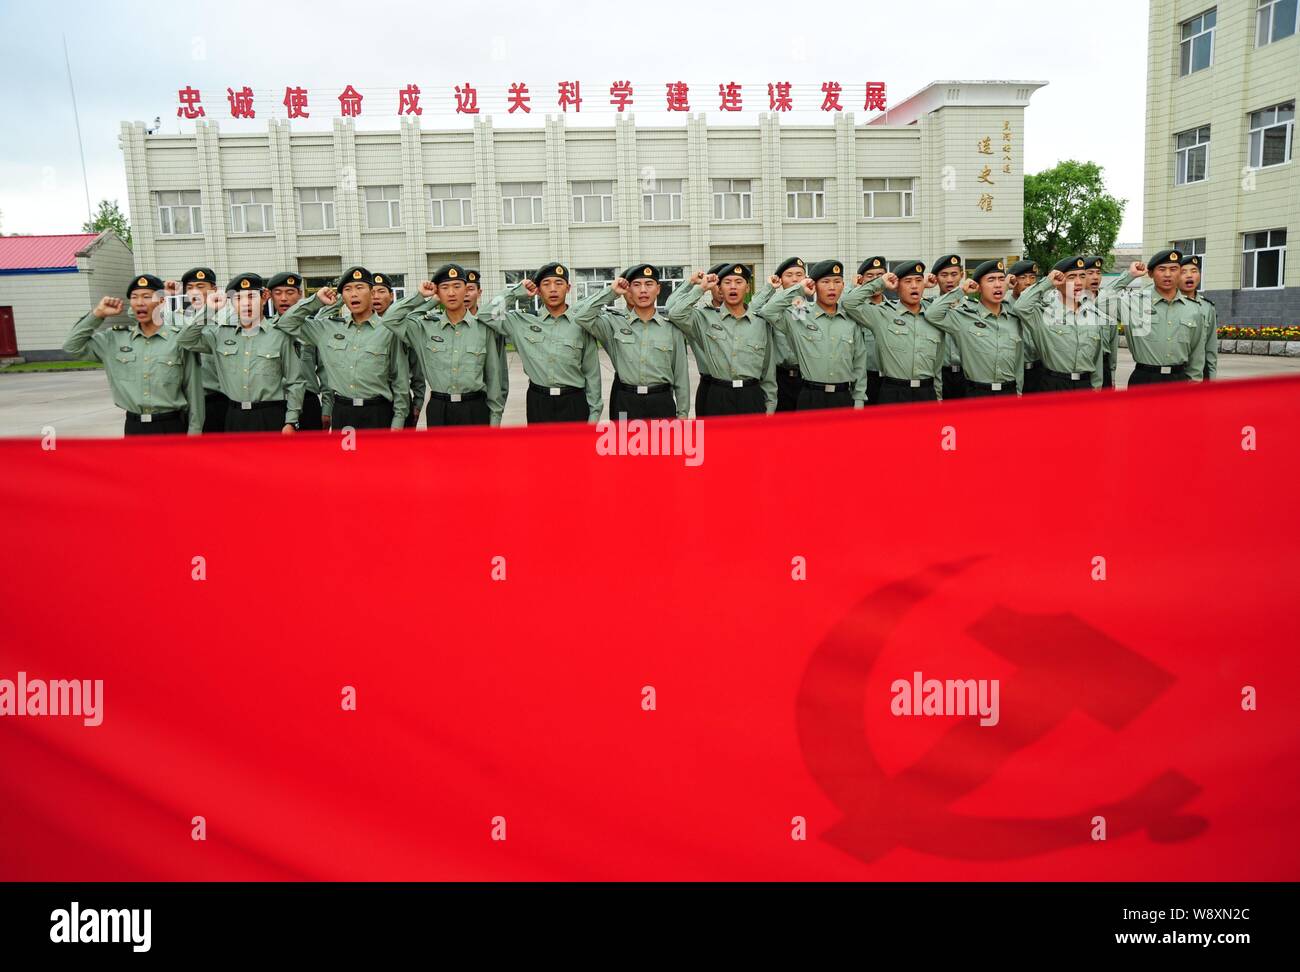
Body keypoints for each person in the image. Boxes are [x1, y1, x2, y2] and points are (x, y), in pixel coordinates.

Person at [274, 266, 415, 429]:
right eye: (347, 290)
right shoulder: (327, 329)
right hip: (342, 412)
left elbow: (400, 380)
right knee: (344, 455)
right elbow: (286, 323)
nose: (353, 294)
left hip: (378, 412)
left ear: (372, 292)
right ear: (343, 297)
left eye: (359, 288)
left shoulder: (388, 330)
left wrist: (398, 421)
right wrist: (316, 300)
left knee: (378, 455)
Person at [62, 274, 204, 435]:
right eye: (134, 297)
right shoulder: (114, 339)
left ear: (162, 301)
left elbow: (194, 393)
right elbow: (71, 347)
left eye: (147, 296)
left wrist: (194, 435)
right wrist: (97, 314)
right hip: (134, 427)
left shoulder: (179, 340)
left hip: (171, 427)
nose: (140, 302)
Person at [377, 263, 505, 427]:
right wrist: (421, 296)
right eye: (444, 287)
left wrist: (495, 422)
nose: (451, 293)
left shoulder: (482, 328)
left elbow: (494, 378)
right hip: (439, 409)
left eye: (457, 286)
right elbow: (390, 318)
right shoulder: (424, 328)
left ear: (466, 290)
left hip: (475, 408)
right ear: (437, 292)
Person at [476, 261, 602, 424]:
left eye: (559, 283)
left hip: (574, 402)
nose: (553, 289)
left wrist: (594, 416)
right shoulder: (522, 322)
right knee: (539, 450)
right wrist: (516, 292)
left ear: (568, 288)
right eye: (546, 284)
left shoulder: (580, 323)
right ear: (538, 291)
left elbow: (592, 374)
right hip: (539, 402)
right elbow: (486, 314)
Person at [174, 273, 304, 431]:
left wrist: (291, 421)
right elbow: (185, 340)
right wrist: (209, 310)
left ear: (264, 298)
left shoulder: (280, 335)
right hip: (234, 415)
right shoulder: (220, 335)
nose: (245, 304)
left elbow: (295, 381)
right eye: (238, 299)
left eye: (251, 297)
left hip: (271, 415)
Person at [571, 263, 690, 420]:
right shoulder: (613, 324)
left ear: (658, 289)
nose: (643, 290)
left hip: (661, 402)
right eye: (636, 285)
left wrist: (682, 416)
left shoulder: (672, 329)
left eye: (649, 284)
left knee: (662, 445)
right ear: (628, 290)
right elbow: (581, 316)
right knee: (623, 445)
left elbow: (681, 377)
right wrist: (611, 292)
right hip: (625, 401)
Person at [665, 263, 776, 415]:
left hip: (751, 396)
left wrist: (770, 407)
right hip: (717, 394)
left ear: (748, 288)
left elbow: (768, 370)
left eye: (738, 282)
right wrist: (700, 288)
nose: (733, 287)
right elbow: (674, 313)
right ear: (720, 289)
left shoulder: (760, 322)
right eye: (727, 282)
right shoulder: (705, 318)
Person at [756, 259, 867, 410]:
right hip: (804, 390)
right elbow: (767, 311)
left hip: (842, 396)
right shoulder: (801, 313)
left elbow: (859, 364)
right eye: (826, 282)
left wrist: (859, 401)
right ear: (814, 285)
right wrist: (798, 289)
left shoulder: (850, 320)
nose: (832, 287)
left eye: (837, 282)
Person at [842, 260, 945, 403]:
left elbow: (937, 366)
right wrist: (880, 283)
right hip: (893, 392)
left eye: (919, 281)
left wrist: (938, 398)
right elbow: (849, 303)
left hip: (926, 393)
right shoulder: (883, 314)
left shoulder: (933, 316)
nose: (914, 286)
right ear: (896, 287)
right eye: (908, 281)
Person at [923, 259, 1026, 398]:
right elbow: (932, 314)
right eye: (990, 280)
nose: (997, 284)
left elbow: (1019, 362)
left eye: (1001, 279)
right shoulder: (965, 318)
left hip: (1009, 393)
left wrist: (1018, 393)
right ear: (978, 286)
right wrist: (961, 291)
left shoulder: (1013, 318)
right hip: (977, 392)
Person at [1100, 251, 1206, 385]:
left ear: (1180, 272)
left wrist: (1195, 384)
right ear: (1150, 274)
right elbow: (1101, 302)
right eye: (1162, 269)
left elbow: (1197, 354)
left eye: (1173, 269)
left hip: (1179, 380)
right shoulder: (1134, 303)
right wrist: (1130, 275)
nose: (1168, 274)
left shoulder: (1193, 309)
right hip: (1144, 379)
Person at [1011, 260, 1104, 391]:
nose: (1078, 282)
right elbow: (1020, 307)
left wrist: (1097, 388)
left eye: (1082, 276)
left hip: (1085, 386)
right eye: (1071, 277)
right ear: (1058, 282)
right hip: (1054, 385)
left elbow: (1097, 360)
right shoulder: (1044, 313)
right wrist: (1047, 282)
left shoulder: (1093, 315)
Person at [267, 272, 328, 430]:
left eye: (290, 292)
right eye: (278, 293)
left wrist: (327, 407)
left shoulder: (313, 328)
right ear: (270, 296)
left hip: (307, 401)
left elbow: (324, 369)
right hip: (274, 403)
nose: (284, 298)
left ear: (300, 295)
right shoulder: (263, 330)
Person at [749, 256, 807, 412]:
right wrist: (770, 288)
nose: (795, 279)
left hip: (808, 378)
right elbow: (753, 309)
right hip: (780, 377)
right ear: (781, 280)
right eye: (789, 275)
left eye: (799, 274)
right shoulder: (772, 308)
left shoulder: (811, 308)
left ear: (806, 278)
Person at [175, 266, 228, 431]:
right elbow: (138, 316)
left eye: (200, 286)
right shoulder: (178, 318)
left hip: (217, 401)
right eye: (189, 288)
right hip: (184, 402)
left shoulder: (229, 319)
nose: (194, 292)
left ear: (214, 290)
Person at [370, 273, 426, 429]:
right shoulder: (362, 328)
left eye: (381, 291)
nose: (376, 297)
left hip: (400, 399)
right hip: (373, 400)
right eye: (372, 292)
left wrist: (418, 400)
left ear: (391, 295)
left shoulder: (404, 325)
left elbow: (417, 366)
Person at [927, 254, 968, 400]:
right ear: (935, 278)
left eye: (954, 274)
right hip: (938, 374)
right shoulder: (927, 306)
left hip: (967, 375)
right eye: (944, 275)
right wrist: (924, 284)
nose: (949, 280)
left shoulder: (973, 308)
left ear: (962, 276)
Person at [854, 255, 889, 404]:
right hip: (865, 379)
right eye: (870, 276)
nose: (875, 280)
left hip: (891, 380)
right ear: (860, 280)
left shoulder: (894, 309)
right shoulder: (856, 309)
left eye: (880, 276)